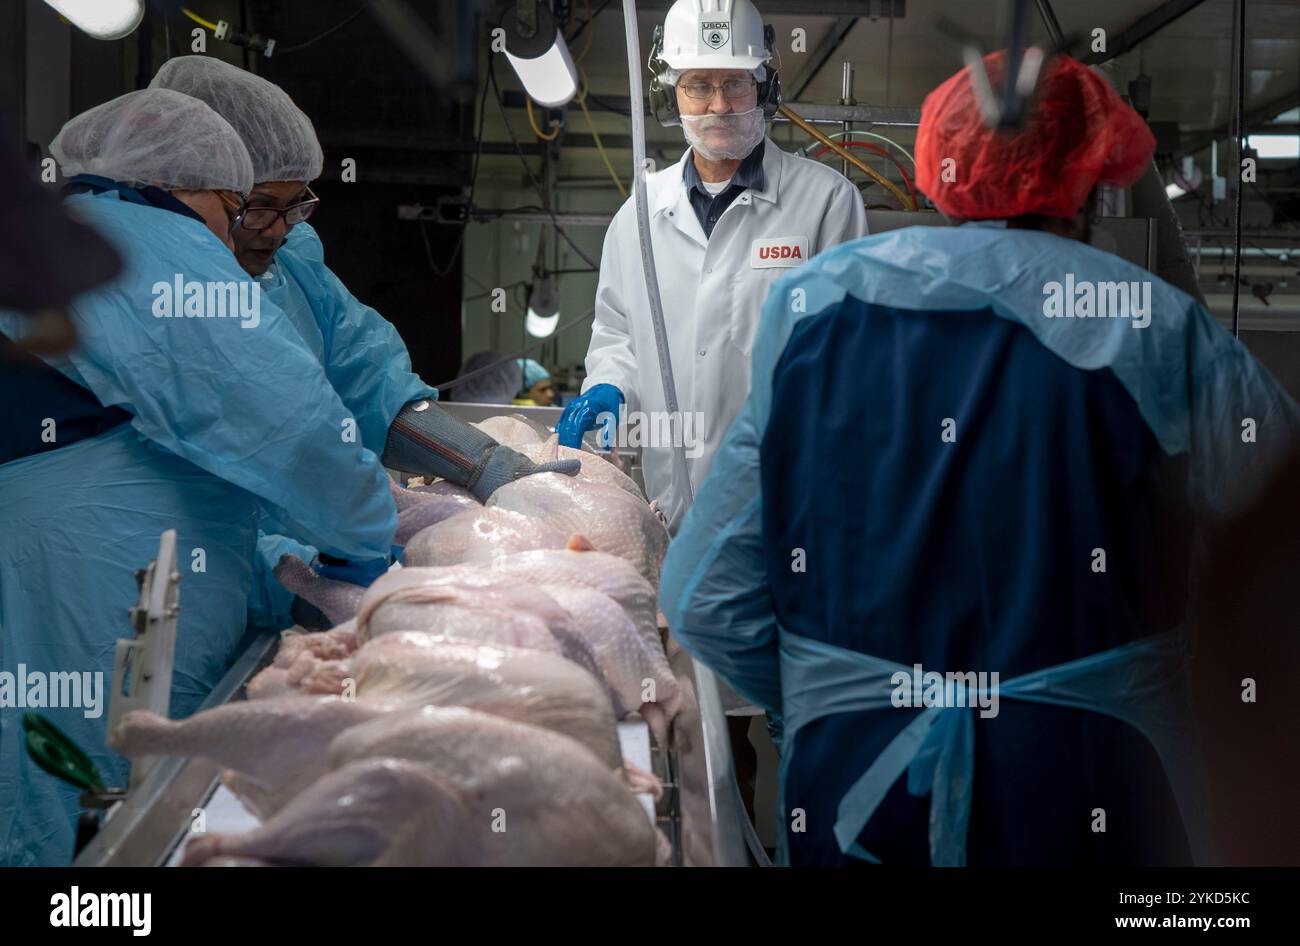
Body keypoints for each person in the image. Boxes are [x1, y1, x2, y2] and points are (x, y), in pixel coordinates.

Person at [659, 52, 1300, 866]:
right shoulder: (1156, 326)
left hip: (857, 793)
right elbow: (1279, 563)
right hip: (1098, 788)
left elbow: (703, 592)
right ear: (1094, 177)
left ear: (937, 172)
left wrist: (832, 696)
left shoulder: (815, 309)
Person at [0, 89, 385, 865]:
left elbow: (175, 465)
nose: (240, 231)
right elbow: (294, 426)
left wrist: (284, 569)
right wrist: (370, 535)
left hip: (81, 563)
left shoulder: (91, 237)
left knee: (69, 804)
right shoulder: (152, 243)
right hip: (91, 583)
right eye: (238, 206)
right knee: (105, 809)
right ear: (189, 188)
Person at [150, 56, 577, 626]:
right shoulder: (156, 302)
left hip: (303, 573)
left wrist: (480, 462)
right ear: (188, 189)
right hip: (188, 596)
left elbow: (367, 377)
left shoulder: (293, 265)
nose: (279, 227)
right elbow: (175, 493)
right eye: (258, 208)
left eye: (295, 204)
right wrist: (293, 579)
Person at [556, 0, 866, 532]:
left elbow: (851, 357)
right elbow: (618, 337)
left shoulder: (826, 202)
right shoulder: (638, 215)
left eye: (737, 83)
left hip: (789, 506)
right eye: (699, 83)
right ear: (670, 93)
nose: (719, 104)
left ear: (764, 87)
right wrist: (609, 385)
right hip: (668, 505)